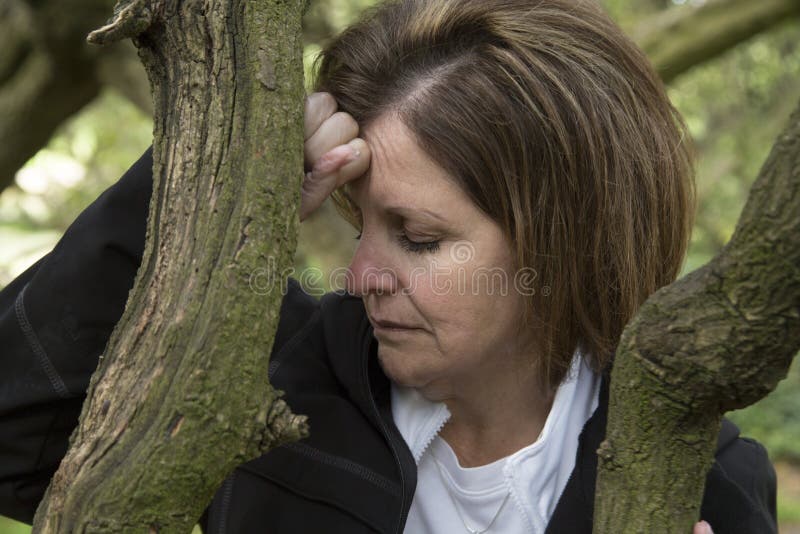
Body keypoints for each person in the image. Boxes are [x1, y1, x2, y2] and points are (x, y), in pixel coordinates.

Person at [0, 0, 776, 532]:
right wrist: (205, 186)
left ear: (566, 240)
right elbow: (14, 435)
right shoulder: (268, 380)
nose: (361, 273)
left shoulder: (698, 469)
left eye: (419, 236)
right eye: (359, 220)